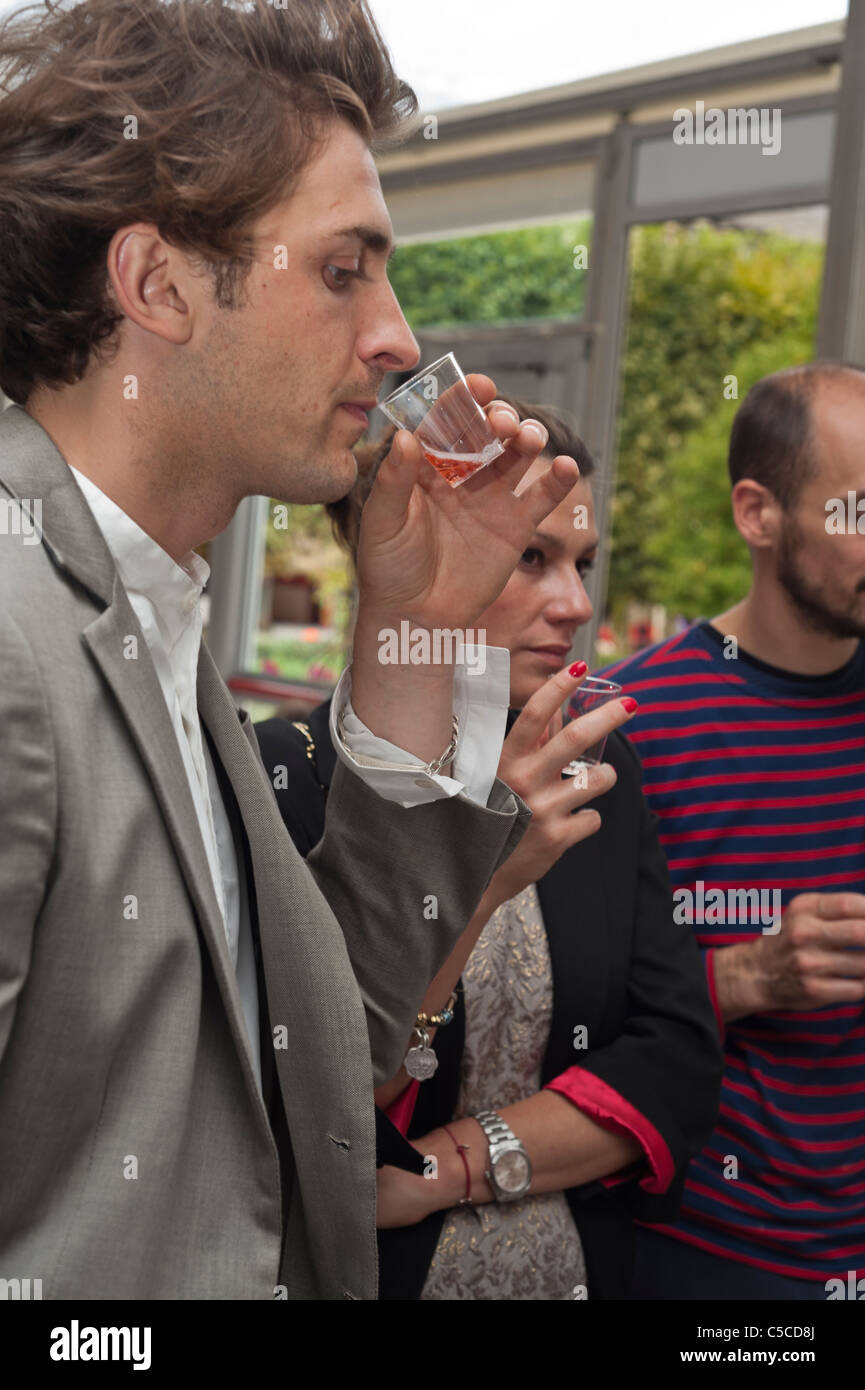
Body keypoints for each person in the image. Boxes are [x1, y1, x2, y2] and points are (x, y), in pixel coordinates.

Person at [0, 0, 582, 1300]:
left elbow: (327, 1064)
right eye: (342, 269)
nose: (394, 332)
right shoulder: (15, 635)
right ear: (155, 284)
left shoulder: (144, 610)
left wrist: (414, 625)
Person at [256, 400, 723, 1300]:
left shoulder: (591, 762)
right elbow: (318, 1098)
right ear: (420, 553)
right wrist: (481, 885)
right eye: (530, 557)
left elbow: (674, 1056)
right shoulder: (292, 775)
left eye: (583, 565)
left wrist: (452, 1167)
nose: (577, 606)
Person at [599, 363, 865, 1300]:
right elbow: (559, 1025)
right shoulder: (632, 723)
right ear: (757, 514)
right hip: (708, 1255)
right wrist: (749, 974)